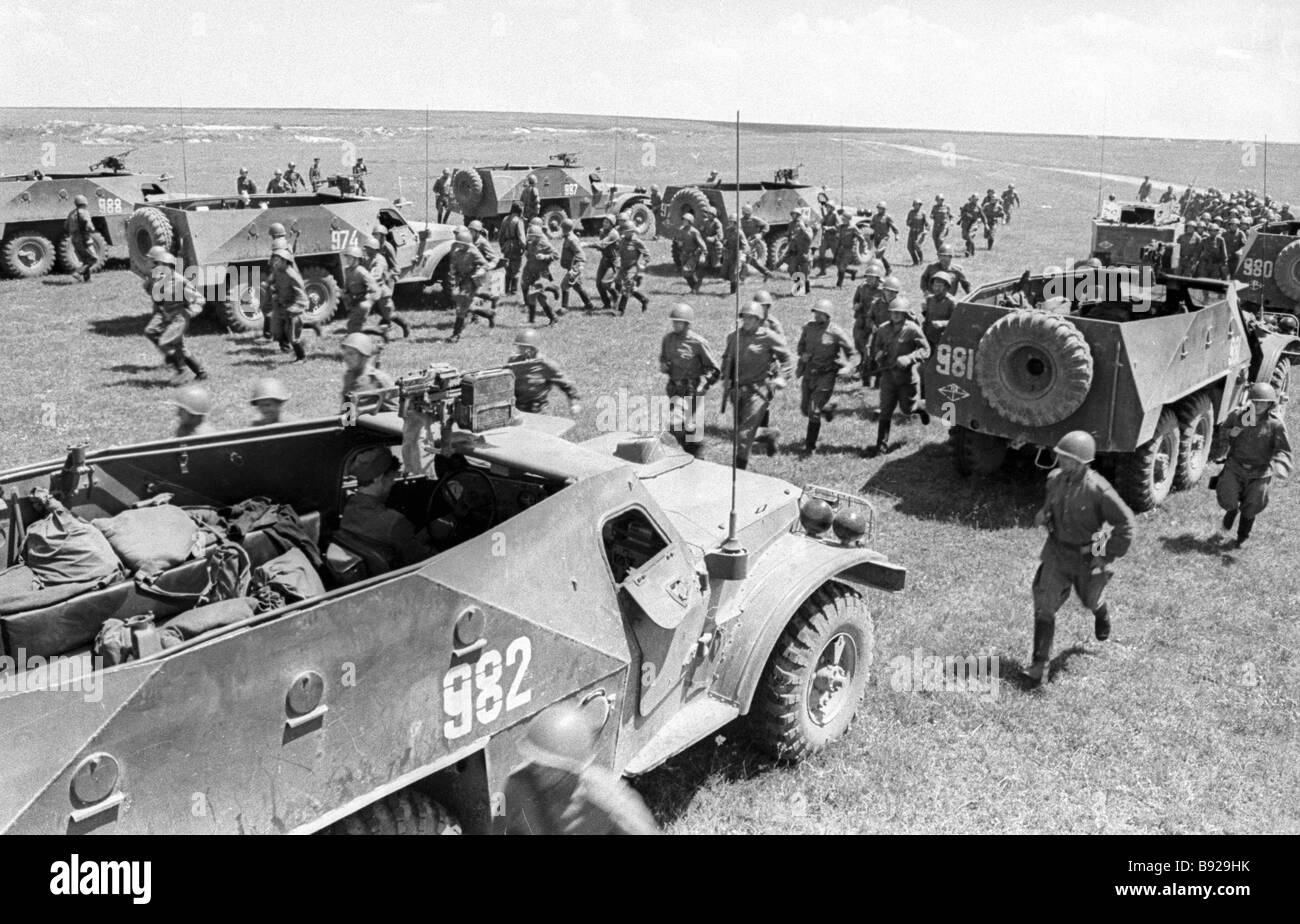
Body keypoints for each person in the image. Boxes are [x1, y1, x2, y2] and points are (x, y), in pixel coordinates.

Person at [1025, 430, 1136, 685]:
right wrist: (1043, 514)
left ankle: (1100, 611)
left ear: (1083, 462)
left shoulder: (1100, 490)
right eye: (1061, 456)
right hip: (1057, 550)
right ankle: (1039, 665)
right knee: (1044, 605)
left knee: (1090, 599)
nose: (1061, 462)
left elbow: (1126, 525)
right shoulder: (1054, 479)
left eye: (1068, 459)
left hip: (1092, 549)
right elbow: (1051, 505)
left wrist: (1105, 555)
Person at [504, 702, 659, 835]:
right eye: (536, 760)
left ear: (571, 769)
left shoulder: (604, 797)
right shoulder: (518, 786)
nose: (538, 770)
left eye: (550, 766)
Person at [1214, 383, 1292, 547]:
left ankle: (1242, 538)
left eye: (1263, 402)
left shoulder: (1275, 424)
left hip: (1260, 472)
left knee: (1252, 506)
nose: (1258, 406)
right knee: (1228, 498)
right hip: (1235, 466)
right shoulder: (1238, 416)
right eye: (1255, 402)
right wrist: (1231, 433)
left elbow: (1283, 449)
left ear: (1270, 404)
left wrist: (1280, 465)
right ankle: (1229, 517)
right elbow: (1222, 433)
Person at [336, 446, 433, 574]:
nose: (393, 483)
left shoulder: (347, 509)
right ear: (379, 478)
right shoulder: (394, 522)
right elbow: (426, 561)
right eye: (392, 478)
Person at [721, 302, 794, 469]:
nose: (746, 321)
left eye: (751, 318)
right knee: (742, 431)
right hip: (737, 390)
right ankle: (768, 434)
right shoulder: (733, 337)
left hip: (758, 390)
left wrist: (782, 377)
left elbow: (786, 358)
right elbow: (727, 358)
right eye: (744, 317)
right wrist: (726, 376)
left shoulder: (768, 337)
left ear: (759, 320)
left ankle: (739, 473)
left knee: (744, 435)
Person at [658, 303, 721, 455]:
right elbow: (664, 357)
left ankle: (691, 450)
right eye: (673, 321)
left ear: (687, 323)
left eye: (678, 322)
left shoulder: (698, 343)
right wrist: (664, 364)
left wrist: (703, 386)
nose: (675, 324)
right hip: (673, 388)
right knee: (682, 425)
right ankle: (695, 450)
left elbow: (714, 370)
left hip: (690, 389)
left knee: (674, 424)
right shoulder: (668, 339)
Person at [872, 296, 930, 455]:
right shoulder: (883, 329)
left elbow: (926, 350)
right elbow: (876, 346)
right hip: (888, 377)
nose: (896, 315)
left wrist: (910, 358)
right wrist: (878, 354)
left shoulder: (912, 329)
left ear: (905, 314)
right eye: (893, 312)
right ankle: (881, 446)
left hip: (907, 378)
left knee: (907, 409)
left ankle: (921, 407)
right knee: (885, 410)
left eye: (899, 313)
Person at [796, 299, 854, 453]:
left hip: (826, 373)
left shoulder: (836, 331)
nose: (817, 316)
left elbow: (851, 351)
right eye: (816, 313)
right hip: (809, 372)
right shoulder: (808, 328)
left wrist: (847, 366)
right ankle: (827, 408)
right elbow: (800, 346)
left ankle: (810, 446)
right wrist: (802, 355)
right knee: (805, 409)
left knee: (813, 411)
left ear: (828, 315)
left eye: (820, 314)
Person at [143, 247, 206, 385]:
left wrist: (190, 312)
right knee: (179, 347)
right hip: (168, 316)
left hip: (180, 318)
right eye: (158, 265)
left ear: (170, 267)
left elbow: (200, 299)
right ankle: (201, 372)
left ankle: (182, 370)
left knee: (165, 342)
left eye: (164, 266)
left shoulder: (180, 281)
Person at [508, 329, 581, 415]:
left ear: (531, 349)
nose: (519, 350)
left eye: (521, 347)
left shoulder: (545, 365)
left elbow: (566, 385)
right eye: (518, 347)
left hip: (537, 411)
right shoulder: (513, 361)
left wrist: (574, 403)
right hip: (517, 409)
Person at [446, 227, 495, 341]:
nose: (460, 246)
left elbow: (485, 264)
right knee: (466, 306)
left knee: (461, 308)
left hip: (471, 281)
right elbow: (453, 261)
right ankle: (489, 314)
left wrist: (481, 271)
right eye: (458, 243)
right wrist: (453, 270)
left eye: (462, 244)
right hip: (461, 280)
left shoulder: (473, 251)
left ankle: (456, 334)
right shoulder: (455, 249)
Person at [268, 242, 309, 363]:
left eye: (278, 259)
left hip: (293, 309)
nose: (275, 261)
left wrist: (295, 309)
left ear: (285, 261)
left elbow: (302, 296)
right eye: (275, 259)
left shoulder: (292, 275)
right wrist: (273, 290)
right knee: (278, 330)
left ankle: (302, 357)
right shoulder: (277, 271)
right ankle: (285, 348)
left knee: (293, 336)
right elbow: (275, 284)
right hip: (282, 306)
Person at [364, 233, 410, 339]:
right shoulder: (369, 258)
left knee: (388, 314)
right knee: (379, 311)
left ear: (373, 249)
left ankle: (404, 324)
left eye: (368, 248)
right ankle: (382, 331)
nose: (366, 250)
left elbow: (375, 275)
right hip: (374, 290)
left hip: (381, 290)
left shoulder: (379, 260)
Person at [339, 331, 396, 412]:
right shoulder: (348, 376)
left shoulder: (379, 380)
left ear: (363, 356)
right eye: (345, 353)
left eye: (351, 354)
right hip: (352, 422)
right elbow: (346, 414)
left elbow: (396, 413)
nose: (346, 358)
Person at [521, 221, 561, 325]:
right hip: (530, 271)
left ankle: (553, 317)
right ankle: (532, 320)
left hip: (541, 273)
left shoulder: (544, 244)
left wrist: (545, 256)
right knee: (533, 296)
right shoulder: (529, 243)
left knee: (536, 295)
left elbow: (556, 255)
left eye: (533, 236)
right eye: (530, 236)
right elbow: (528, 254)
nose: (530, 238)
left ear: (538, 236)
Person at [341, 244, 382, 334]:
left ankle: (379, 332)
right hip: (354, 302)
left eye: (350, 258)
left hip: (362, 302)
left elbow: (376, 290)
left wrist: (369, 301)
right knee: (353, 326)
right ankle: (379, 332)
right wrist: (345, 294)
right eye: (347, 257)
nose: (347, 260)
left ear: (356, 259)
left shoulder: (362, 272)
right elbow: (348, 284)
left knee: (353, 327)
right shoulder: (347, 270)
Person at [558, 218, 595, 311]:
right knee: (577, 286)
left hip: (575, 267)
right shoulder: (568, 237)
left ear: (564, 229)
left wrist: (575, 269)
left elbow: (580, 255)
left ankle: (564, 307)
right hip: (572, 266)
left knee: (564, 285)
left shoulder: (572, 239)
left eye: (562, 228)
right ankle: (589, 305)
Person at [614, 223, 650, 314]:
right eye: (623, 231)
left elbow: (647, 255)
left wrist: (643, 264)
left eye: (626, 231)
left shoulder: (637, 242)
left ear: (631, 231)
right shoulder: (622, 240)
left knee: (626, 288)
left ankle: (620, 310)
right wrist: (617, 260)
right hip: (623, 267)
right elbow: (618, 251)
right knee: (630, 288)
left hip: (632, 268)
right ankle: (644, 299)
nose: (624, 233)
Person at [64, 194, 98, 282]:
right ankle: (78, 273)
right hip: (84, 239)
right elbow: (89, 226)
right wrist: (92, 230)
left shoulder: (71, 213)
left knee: (85, 259)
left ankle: (87, 279)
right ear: (84, 202)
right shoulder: (84, 212)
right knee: (93, 259)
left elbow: (66, 226)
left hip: (75, 239)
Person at [590, 215, 621, 310]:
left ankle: (616, 296)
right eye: (604, 221)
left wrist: (586, 244)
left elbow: (602, 244)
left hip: (614, 261)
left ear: (612, 224)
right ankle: (607, 304)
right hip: (605, 259)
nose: (604, 223)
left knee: (605, 283)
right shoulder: (602, 231)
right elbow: (601, 245)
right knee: (599, 284)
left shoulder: (613, 234)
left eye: (607, 222)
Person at [921, 271, 957, 349]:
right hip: (928, 336)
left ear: (946, 287)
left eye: (939, 286)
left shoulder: (951, 302)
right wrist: (924, 311)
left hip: (943, 340)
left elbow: (956, 322)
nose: (936, 288)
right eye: (934, 285)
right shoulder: (929, 299)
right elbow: (928, 318)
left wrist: (943, 323)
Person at [498, 202, 527, 296]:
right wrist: (525, 248)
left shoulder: (505, 219)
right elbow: (521, 237)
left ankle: (506, 290)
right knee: (516, 270)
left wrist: (502, 247)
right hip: (516, 247)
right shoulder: (518, 221)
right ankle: (513, 291)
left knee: (508, 269)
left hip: (506, 246)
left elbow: (500, 236)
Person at [834, 213, 868, 287]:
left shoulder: (853, 228)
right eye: (842, 219)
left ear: (848, 219)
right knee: (838, 265)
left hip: (848, 250)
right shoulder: (841, 226)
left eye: (844, 219)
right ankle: (852, 272)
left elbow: (861, 239)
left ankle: (839, 285)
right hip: (840, 249)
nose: (842, 220)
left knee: (842, 267)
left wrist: (865, 248)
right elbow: (837, 234)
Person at [676, 213, 707, 293]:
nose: (683, 221)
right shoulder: (681, 230)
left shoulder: (694, 232)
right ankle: (694, 288)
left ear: (690, 221)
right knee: (685, 273)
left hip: (693, 255)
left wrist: (703, 254)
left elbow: (702, 244)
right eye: (683, 219)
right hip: (684, 254)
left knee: (686, 270)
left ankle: (696, 286)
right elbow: (678, 240)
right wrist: (679, 243)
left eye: (685, 220)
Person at [869, 202, 899, 274]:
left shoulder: (887, 217)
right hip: (876, 238)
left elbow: (893, 226)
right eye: (878, 208)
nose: (879, 210)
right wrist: (871, 232)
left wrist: (896, 234)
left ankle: (875, 272)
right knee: (880, 255)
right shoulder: (875, 216)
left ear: (884, 209)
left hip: (884, 238)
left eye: (881, 209)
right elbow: (872, 226)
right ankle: (888, 268)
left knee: (878, 253)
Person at [698, 205, 724, 278]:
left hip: (714, 245)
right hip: (707, 244)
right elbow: (702, 231)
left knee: (716, 261)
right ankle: (709, 272)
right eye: (708, 214)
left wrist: (712, 238)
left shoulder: (717, 223)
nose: (708, 215)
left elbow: (720, 236)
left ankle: (717, 274)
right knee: (707, 260)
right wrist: (702, 230)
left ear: (714, 215)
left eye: (710, 214)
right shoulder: (705, 222)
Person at [905, 199, 929, 266]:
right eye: (915, 205)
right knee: (910, 247)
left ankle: (921, 260)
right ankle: (915, 262)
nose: (917, 206)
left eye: (918, 205)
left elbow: (927, 224)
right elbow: (907, 222)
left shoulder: (923, 213)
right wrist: (909, 222)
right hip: (912, 232)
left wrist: (926, 230)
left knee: (917, 245)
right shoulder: (911, 212)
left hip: (920, 233)